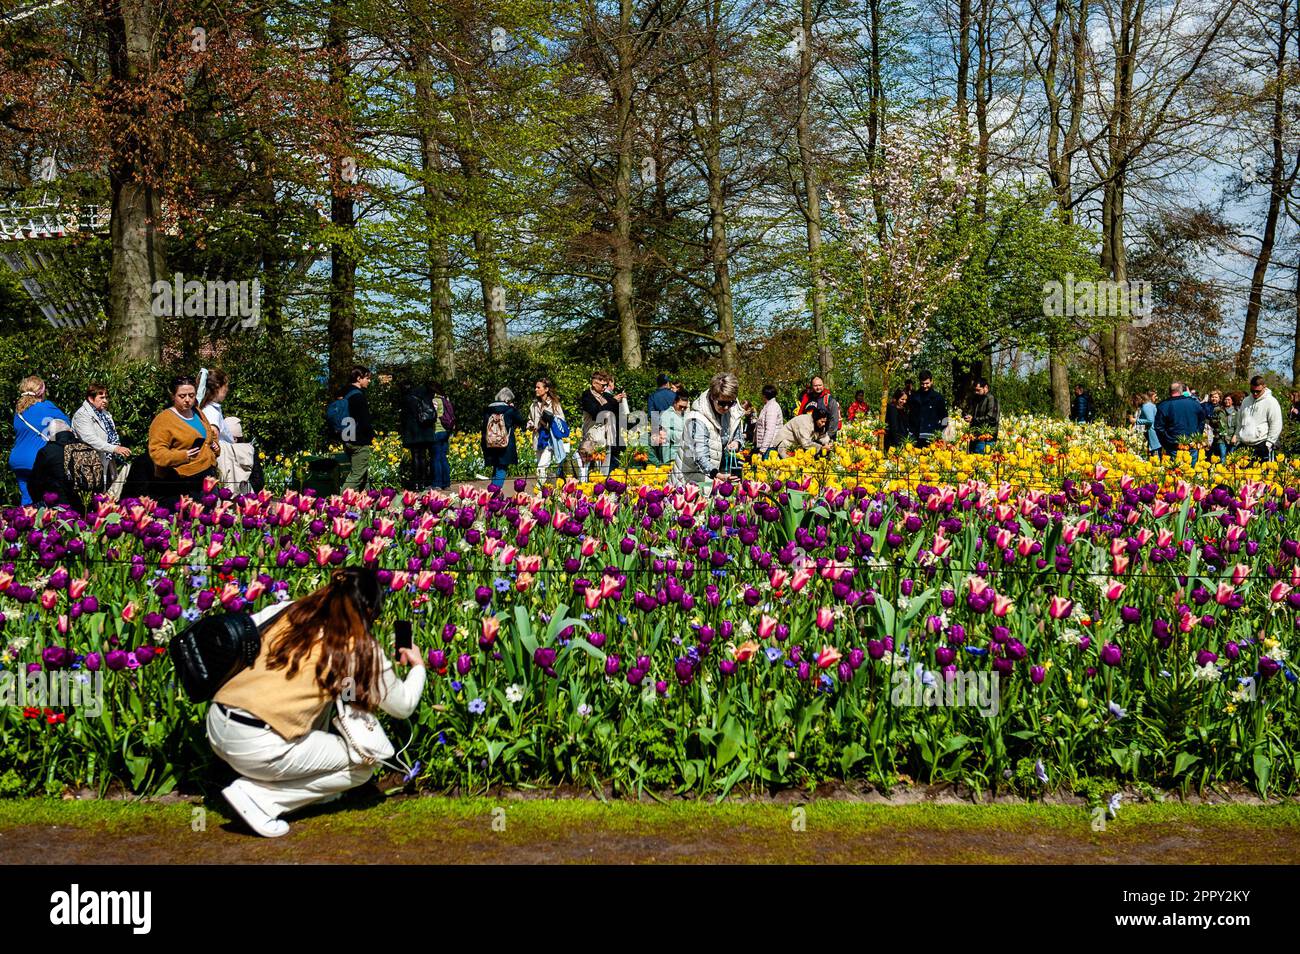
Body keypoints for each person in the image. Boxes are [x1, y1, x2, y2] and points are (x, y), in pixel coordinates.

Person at [208, 566, 425, 838]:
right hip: (259, 744)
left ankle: (301, 792)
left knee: (325, 702)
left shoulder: (287, 610)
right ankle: (259, 798)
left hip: (217, 723)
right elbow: (403, 706)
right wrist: (418, 667)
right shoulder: (358, 647)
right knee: (366, 763)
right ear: (369, 611)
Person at [148, 375, 221, 508]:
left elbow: (208, 435)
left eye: (191, 395)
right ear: (173, 396)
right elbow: (157, 453)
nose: (187, 400)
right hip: (181, 482)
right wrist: (183, 455)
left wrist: (214, 445)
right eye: (182, 396)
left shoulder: (197, 412)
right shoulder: (163, 420)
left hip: (206, 476)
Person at [671, 372, 745, 486]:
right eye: (722, 403)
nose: (726, 407)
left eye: (730, 403)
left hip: (714, 478)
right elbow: (699, 456)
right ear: (712, 397)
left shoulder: (732, 411)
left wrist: (737, 442)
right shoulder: (696, 419)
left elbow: (737, 435)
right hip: (690, 480)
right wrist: (718, 475)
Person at [9, 375, 70, 506]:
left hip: (18, 460)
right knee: (45, 500)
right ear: (42, 391)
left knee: (27, 500)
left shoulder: (19, 411)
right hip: (38, 459)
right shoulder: (47, 406)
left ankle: (23, 523)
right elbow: (66, 425)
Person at [200, 368, 257, 494]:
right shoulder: (211, 411)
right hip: (224, 460)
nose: (227, 390)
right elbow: (213, 434)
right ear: (217, 388)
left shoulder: (206, 408)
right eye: (225, 386)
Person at [71, 382, 133, 498]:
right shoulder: (82, 415)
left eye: (106, 397)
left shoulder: (105, 414)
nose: (105, 400)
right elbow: (90, 439)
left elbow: (110, 436)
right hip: (88, 465)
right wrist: (115, 448)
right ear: (90, 398)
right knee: (91, 499)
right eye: (101, 397)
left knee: (107, 497)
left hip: (107, 461)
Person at [27, 420, 87, 513]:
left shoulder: (47, 452)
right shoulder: (86, 448)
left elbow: (35, 482)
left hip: (59, 507)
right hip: (87, 504)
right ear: (70, 431)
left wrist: (39, 502)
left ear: (51, 436)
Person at [527, 377, 575, 484]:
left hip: (549, 440)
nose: (536, 389)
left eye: (538, 387)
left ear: (546, 389)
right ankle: (545, 491)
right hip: (538, 438)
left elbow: (561, 421)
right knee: (541, 466)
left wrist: (548, 422)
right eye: (535, 387)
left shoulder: (554, 404)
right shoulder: (534, 405)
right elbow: (530, 419)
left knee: (541, 467)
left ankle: (539, 492)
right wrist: (530, 425)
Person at [337, 366, 375, 492]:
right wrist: (371, 435)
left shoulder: (344, 394)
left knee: (363, 474)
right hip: (359, 440)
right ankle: (339, 503)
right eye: (367, 378)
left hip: (347, 437)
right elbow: (365, 421)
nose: (369, 381)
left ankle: (368, 500)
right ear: (359, 378)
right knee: (356, 476)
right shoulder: (358, 397)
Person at [579, 372, 621, 477]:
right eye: (603, 385)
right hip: (592, 437)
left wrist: (618, 402)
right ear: (594, 383)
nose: (605, 388)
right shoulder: (587, 395)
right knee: (592, 470)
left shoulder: (606, 396)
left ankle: (602, 491)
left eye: (606, 385)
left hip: (607, 437)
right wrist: (612, 402)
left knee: (604, 471)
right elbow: (596, 413)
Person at [1154, 381, 1207, 464]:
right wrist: (1197, 434)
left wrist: (1167, 441)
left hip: (1174, 444)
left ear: (1169, 391)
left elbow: (1159, 427)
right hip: (1189, 443)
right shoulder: (1194, 403)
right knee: (1190, 473)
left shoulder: (1163, 405)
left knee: (1176, 474)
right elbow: (1202, 420)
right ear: (1182, 391)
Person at [399, 377, 437, 489]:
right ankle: (424, 482)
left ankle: (416, 482)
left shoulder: (407, 399)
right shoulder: (424, 395)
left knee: (415, 456)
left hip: (413, 431)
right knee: (423, 456)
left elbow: (404, 417)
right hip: (425, 429)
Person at [1236, 375, 1283, 462]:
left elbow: (1276, 424)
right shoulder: (1246, 401)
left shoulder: (1271, 402)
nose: (1255, 393)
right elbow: (1239, 421)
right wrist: (1238, 439)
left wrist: (1269, 444)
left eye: (1258, 391)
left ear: (1264, 387)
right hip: (1244, 444)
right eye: (1252, 391)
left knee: (1260, 475)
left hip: (1262, 445)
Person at [482, 387, 523, 488]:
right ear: (507, 400)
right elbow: (520, 421)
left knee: (496, 467)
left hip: (490, 443)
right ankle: (494, 493)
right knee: (502, 468)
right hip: (505, 443)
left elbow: (483, 427)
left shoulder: (488, 410)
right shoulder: (509, 410)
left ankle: (491, 491)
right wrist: (513, 408)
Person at [908, 371, 947, 448]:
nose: (925, 386)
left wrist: (940, 431)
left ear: (931, 381)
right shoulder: (914, 397)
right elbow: (910, 417)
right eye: (922, 383)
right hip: (916, 437)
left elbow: (945, 417)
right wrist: (911, 431)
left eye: (927, 383)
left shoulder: (938, 398)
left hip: (933, 437)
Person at [428, 382, 454, 490]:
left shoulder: (435, 401)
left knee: (436, 458)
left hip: (437, 431)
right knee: (443, 457)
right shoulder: (446, 400)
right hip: (446, 431)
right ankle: (446, 483)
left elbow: (432, 415)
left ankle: (437, 483)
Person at [963, 378, 1000, 454]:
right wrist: (967, 416)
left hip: (986, 440)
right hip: (975, 437)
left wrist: (973, 419)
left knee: (983, 463)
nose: (976, 392)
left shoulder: (991, 399)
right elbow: (971, 413)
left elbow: (991, 418)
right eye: (975, 390)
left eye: (978, 390)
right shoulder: (977, 399)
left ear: (985, 387)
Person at [647, 373, 677, 462]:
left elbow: (653, 415)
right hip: (675, 428)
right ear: (667, 383)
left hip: (660, 429)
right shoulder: (675, 395)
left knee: (662, 459)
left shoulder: (652, 397)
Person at [660, 389, 689, 466]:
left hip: (686, 456)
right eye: (681, 406)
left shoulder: (686, 415)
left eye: (685, 407)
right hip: (672, 456)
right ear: (675, 403)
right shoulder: (666, 415)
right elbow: (665, 435)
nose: (683, 409)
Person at [754, 384, 785, 456]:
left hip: (769, 447)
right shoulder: (768, 406)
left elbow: (770, 430)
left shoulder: (772, 407)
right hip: (767, 446)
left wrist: (762, 450)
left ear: (764, 395)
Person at [1212, 394, 1238, 463]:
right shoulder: (1219, 410)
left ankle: (1230, 472)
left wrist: (1235, 436)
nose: (1226, 401)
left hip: (1232, 437)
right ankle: (1222, 471)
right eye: (1225, 399)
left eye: (1228, 399)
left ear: (1232, 401)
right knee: (1223, 455)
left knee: (1231, 457)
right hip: (1221, 437)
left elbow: (1238, 426)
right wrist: (1217, 422)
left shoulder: (1236, 412)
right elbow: (1212, 421)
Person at [1134, 390, 1160, 459]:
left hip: (1153, 435)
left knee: (1155, 458)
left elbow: (1150, 421)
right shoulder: (1148, 405)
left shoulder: (1146, 406)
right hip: (1154, 434)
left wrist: (1136, 421)